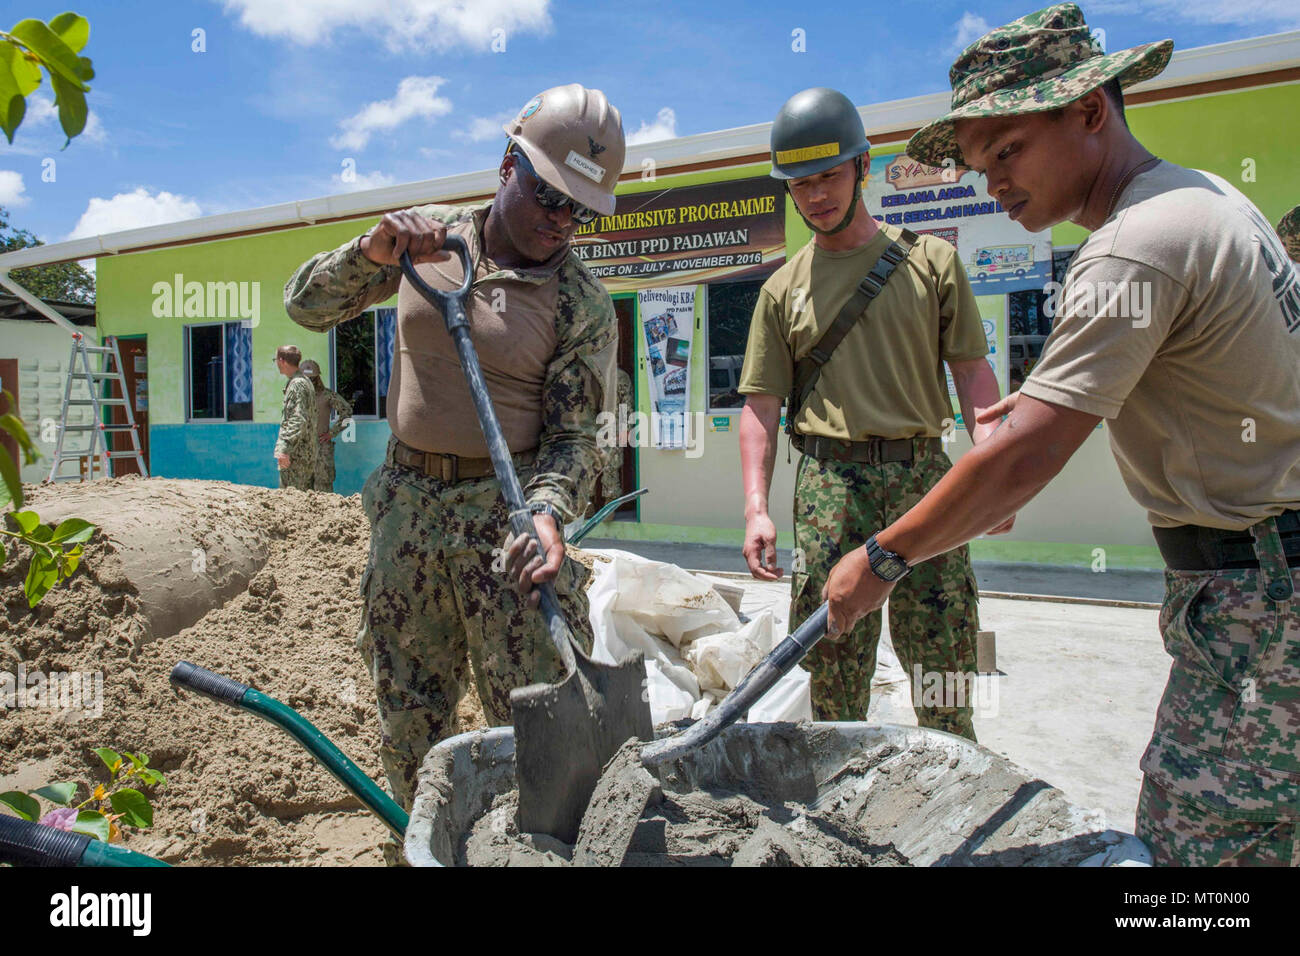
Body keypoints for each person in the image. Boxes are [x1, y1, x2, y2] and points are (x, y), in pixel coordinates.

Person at [827, 3, 1300, 865]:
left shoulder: (1134, 246)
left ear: (1090, 112)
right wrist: (1029, 429)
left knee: (1196, 860)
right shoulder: (1205, 197)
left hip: (1262, 605)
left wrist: (884, 558)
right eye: (979, 165)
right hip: (1262, 582)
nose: (994, 183)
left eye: (1007, 151)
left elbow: (1025, 460)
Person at [284, 84, 624, 862]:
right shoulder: (424, 246)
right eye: (546, 195)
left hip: (506, 522)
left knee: (535, 711)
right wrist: (369, 251)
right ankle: (425, 847)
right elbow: (305, 306)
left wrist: (546, 515)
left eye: (578, 209)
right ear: (508, 166)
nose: (558, 220)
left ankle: (538, 849)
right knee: (410, 706)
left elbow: (576, 440)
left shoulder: (580, 302)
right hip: (406, 511)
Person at [738, 86, 1009, 740]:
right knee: (831, 670)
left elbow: (973, 373)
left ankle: (951, 793)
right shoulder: (781, 289)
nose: (815, 196)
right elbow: (760, 408)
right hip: (830, 489)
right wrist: (755, 506)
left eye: (829, 175)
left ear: (863, 166)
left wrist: (995, 471)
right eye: (799, 185)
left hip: (926, 481)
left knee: (945, 660)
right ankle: (842, 810)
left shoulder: (930, 261)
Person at [299, 359, 352, 493]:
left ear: (317, 378)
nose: (309, 381)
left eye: (312, 378)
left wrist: (332, 433)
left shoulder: (327, 395)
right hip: (302, 447)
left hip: (321, 448)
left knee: (323, 489)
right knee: (301, 489)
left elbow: (347, 412)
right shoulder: (296, 396)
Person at [273, 345, 317, 491]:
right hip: (304, 454)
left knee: (291, 501)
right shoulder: (303, 381)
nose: (276, 363)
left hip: (296, 456)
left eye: (276, 360)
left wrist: (284, 448)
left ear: (282, 361)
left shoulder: (297, 384)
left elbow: (297, 419)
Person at [600, 368, 633, 502]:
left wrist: (625, 428)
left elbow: (627, 403)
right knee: (588, 465)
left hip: (613, 427)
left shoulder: (620, 376)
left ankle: (610, 501)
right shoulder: (589, 375)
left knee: (611, 466)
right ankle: (587, 504)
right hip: (591, 426)